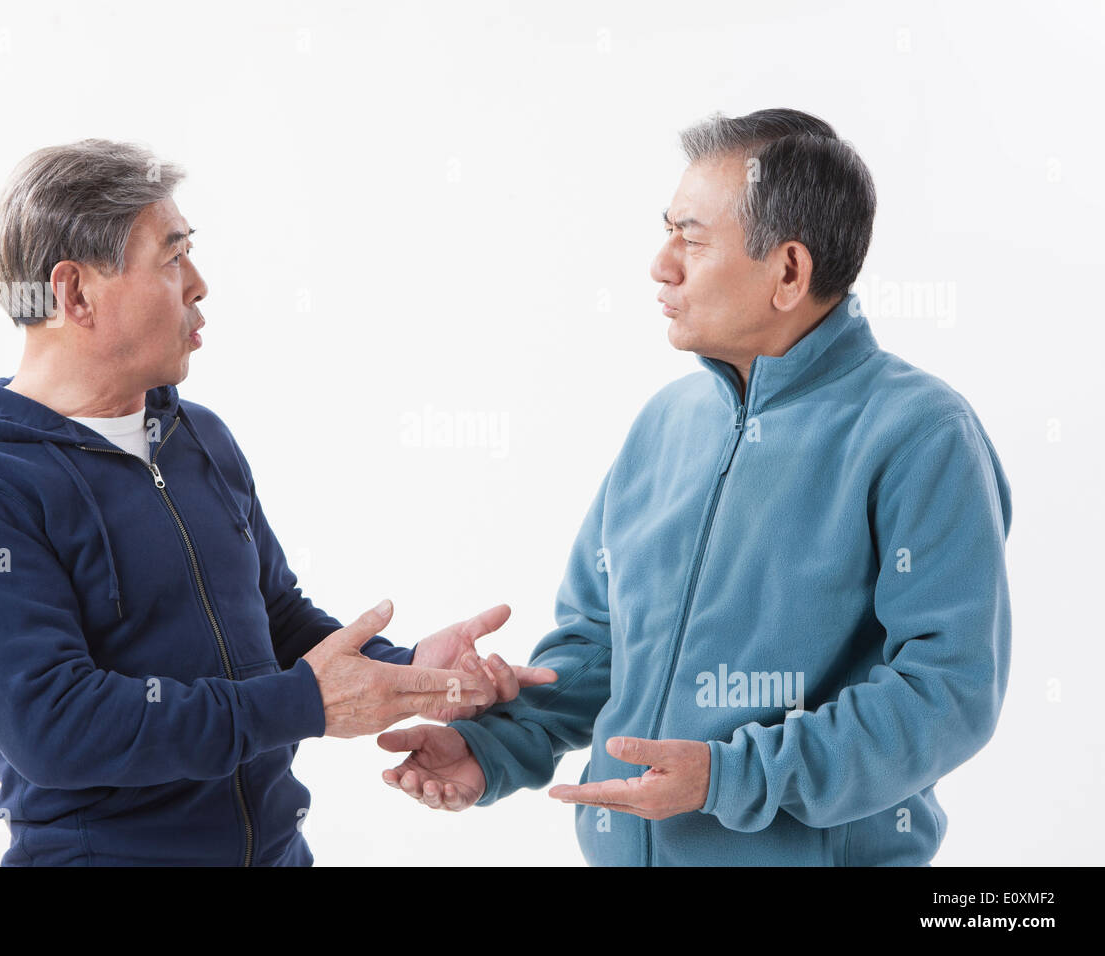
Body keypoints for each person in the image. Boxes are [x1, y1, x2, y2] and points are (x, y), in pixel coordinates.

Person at [380, 108, 1013, 866]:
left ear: (788, 273)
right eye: (666, 230)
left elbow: (945, 694)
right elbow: (604, 643)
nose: (660, 264)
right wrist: (494, 748)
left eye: (691, 236)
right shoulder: (667, 421)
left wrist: (729, 777)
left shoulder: (921, 433)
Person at [0, 138, 555, 866]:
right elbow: (56, 729)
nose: (199, 283)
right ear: (74, 294)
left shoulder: (195, 435)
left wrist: (412, 674)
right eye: (172, 256)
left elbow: (273, 622)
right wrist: (304, 704)